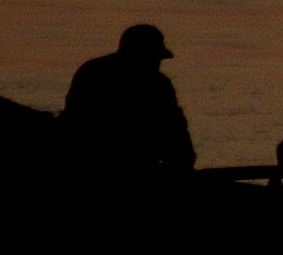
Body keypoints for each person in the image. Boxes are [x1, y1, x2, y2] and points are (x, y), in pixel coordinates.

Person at [63, 23, 197, 175]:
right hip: (123, 165)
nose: (157, 64)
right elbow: (178, 138)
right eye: (153, 58)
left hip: (81, 161)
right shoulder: (157, 85)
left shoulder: (91, 70)